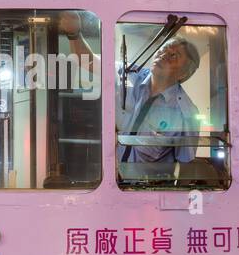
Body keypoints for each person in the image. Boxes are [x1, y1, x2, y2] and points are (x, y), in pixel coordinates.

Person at [59, 11, 202, 181]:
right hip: (111, 181)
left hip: (148, 192)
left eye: (173, 55)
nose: (163, 54)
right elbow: (87, 62)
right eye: (163, 49)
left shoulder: (186, 113)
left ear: (183, 73)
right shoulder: (129, 74)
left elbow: (186, 166)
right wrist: (74, 33)